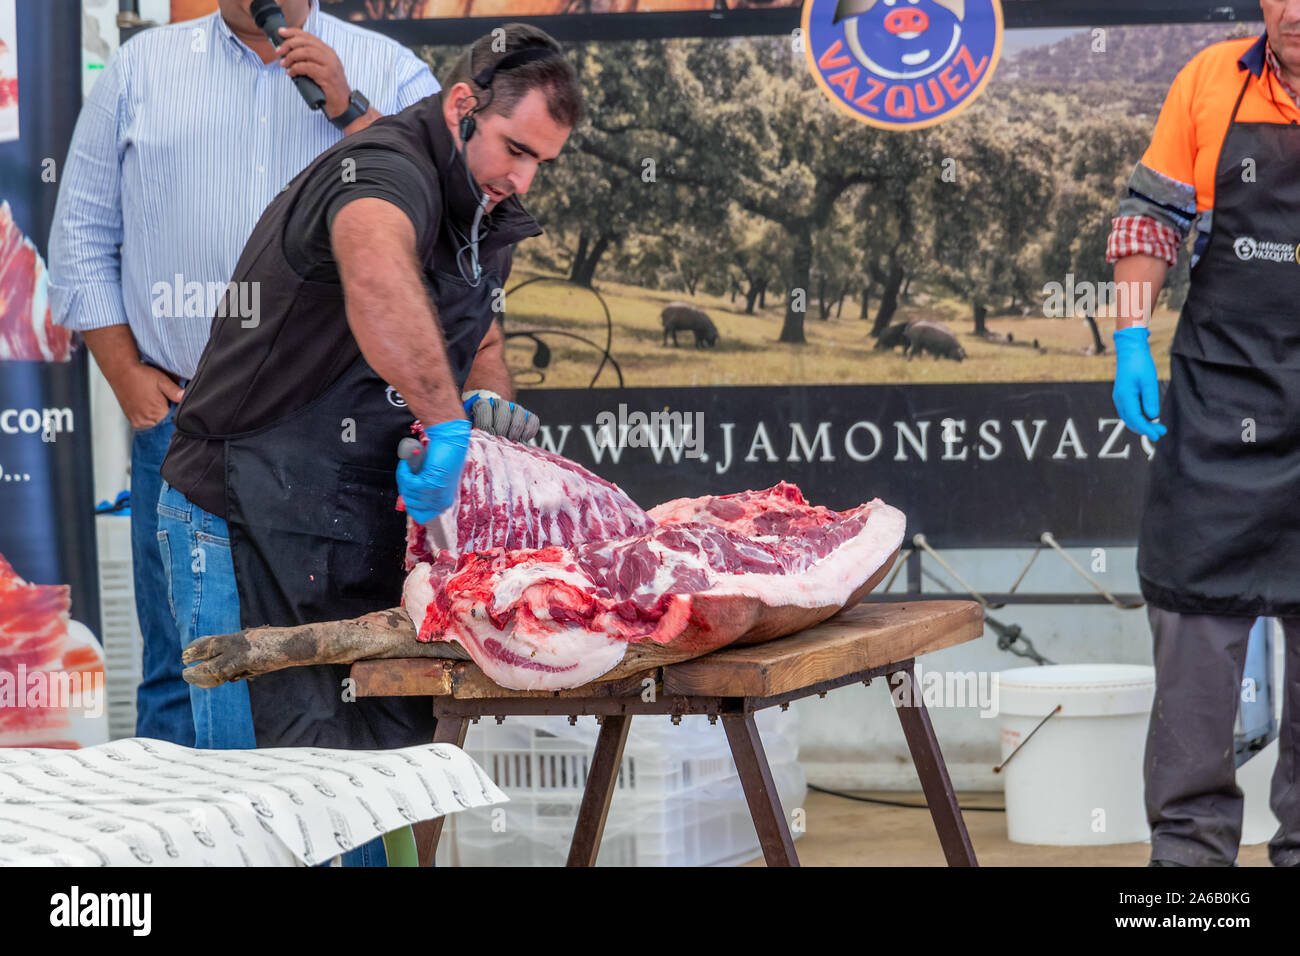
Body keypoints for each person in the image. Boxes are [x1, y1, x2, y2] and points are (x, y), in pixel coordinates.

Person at [159, 22, 576, 761]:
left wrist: (479, 413)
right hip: (247, 511)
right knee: (271, 795)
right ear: (462, 107)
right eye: (516, 149)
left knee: (386, 789)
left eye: (543, 162)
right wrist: (444, 423)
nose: (523, 179)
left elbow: (477, 334)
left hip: (358, 535)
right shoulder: (386, 166)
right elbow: (378, 274)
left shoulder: (481, 212)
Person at [49, 0, 439, 753]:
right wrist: (127, 375)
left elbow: (440, 233)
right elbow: (81, 241)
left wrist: (352, 111)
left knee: (332, 667)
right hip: (185, 421)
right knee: (181, 667)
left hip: (339, 440)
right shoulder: (141, 68)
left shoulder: (386, 67)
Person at [1108, 0, 1300, 867]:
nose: (1291, 9)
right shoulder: (1210, 80)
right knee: (1193, 648)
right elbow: (1152, 215)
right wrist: (1129, 335)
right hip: (1220, 406)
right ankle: (1188, 880)